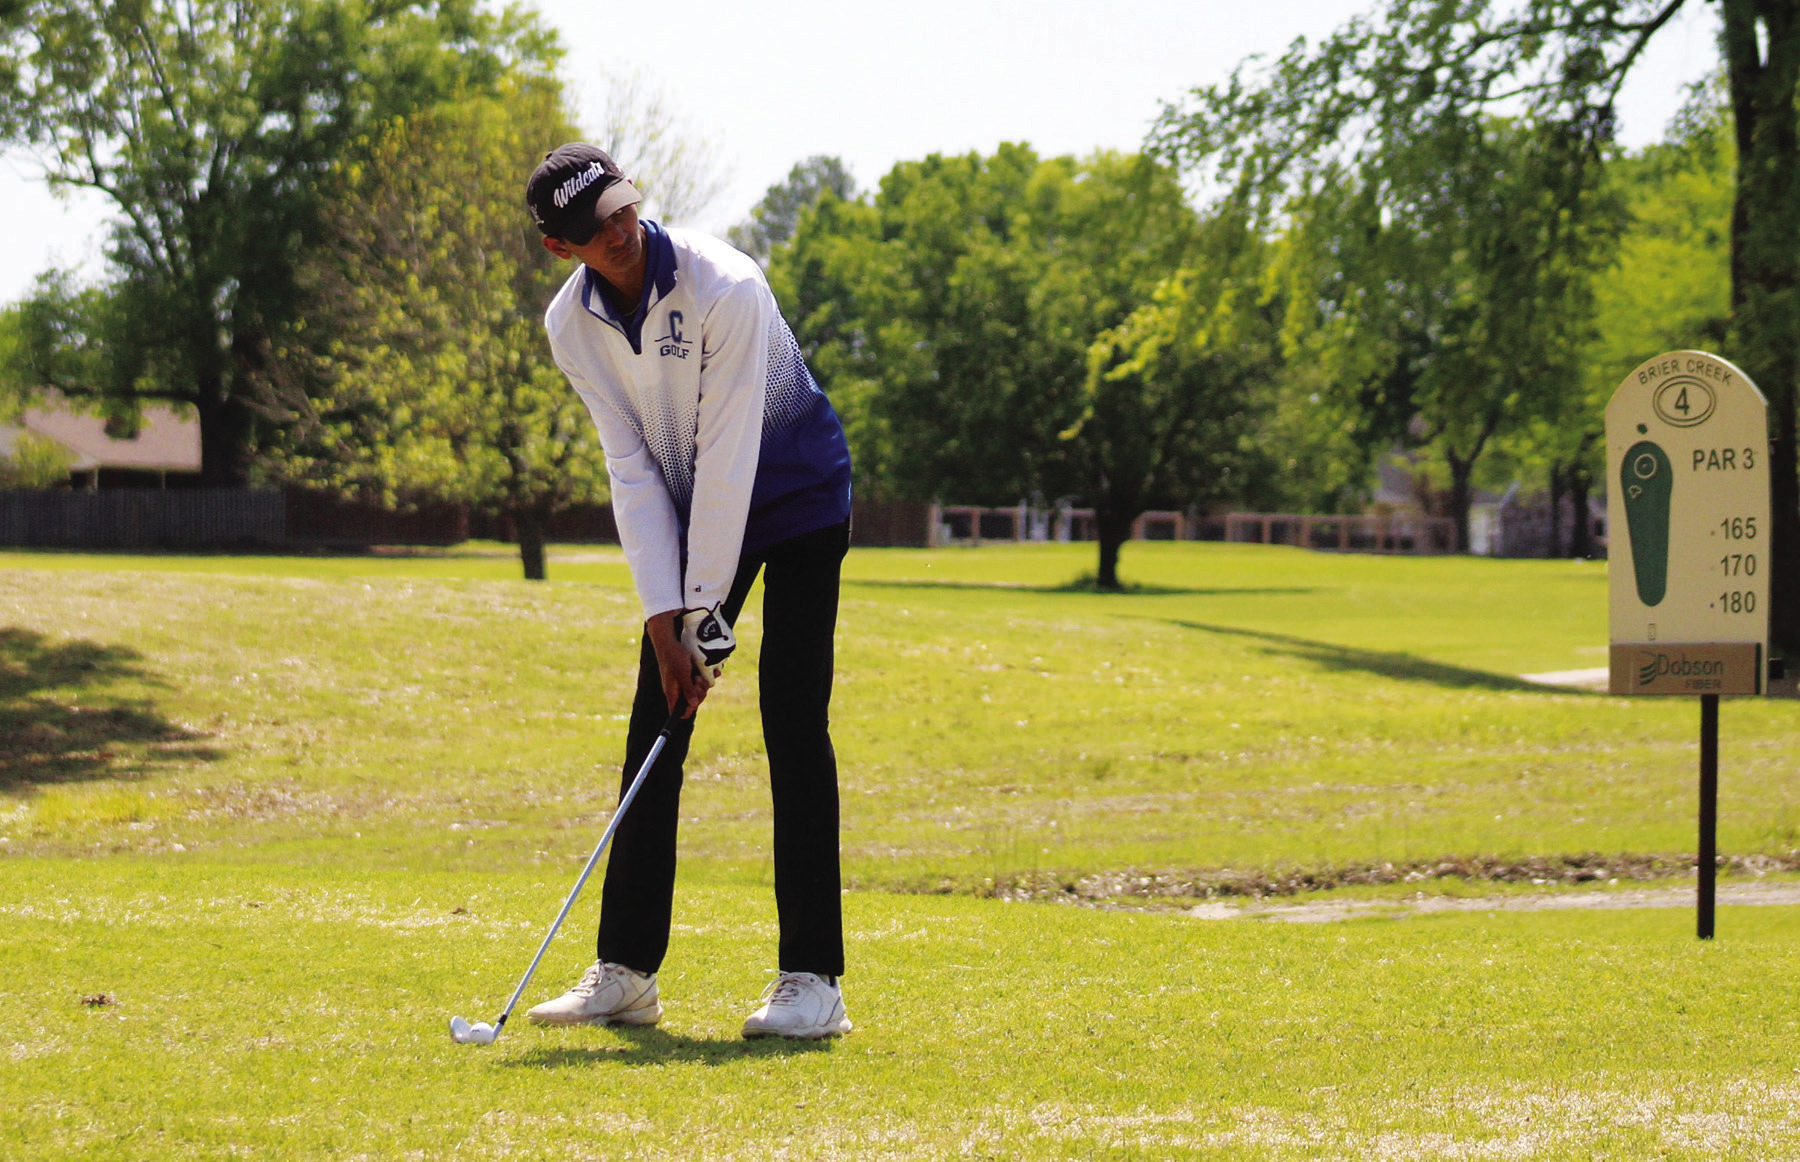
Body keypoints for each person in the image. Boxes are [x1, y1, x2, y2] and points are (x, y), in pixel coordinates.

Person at [519, 144, 855, 1039]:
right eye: (597, 229)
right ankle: (626, 970)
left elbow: (730, 461)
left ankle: (813, 979)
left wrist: (699, 621)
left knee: (792, 719)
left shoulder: (726, 287)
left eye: (624, 209)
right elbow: (634, 473)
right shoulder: (571, 326)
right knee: (654, 721)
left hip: (798, 500)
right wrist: (663, 620)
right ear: (563, 247)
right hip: (694, 499)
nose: (622, 231)